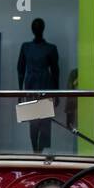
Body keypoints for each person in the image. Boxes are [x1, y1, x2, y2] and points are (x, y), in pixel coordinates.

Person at [17, 18, 59, 152]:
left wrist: (57, 93)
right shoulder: (26, 47)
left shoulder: (51, 48)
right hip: (30, 86)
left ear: (43, 29)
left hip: (46, 85)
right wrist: (19, 92)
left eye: (39, 27)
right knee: (33, 123)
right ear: (32, 29)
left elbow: (56, 71)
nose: (37, 29)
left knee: (45, 122)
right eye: (35, 27)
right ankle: (35, 150)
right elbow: (20, 69)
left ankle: (40, 150)